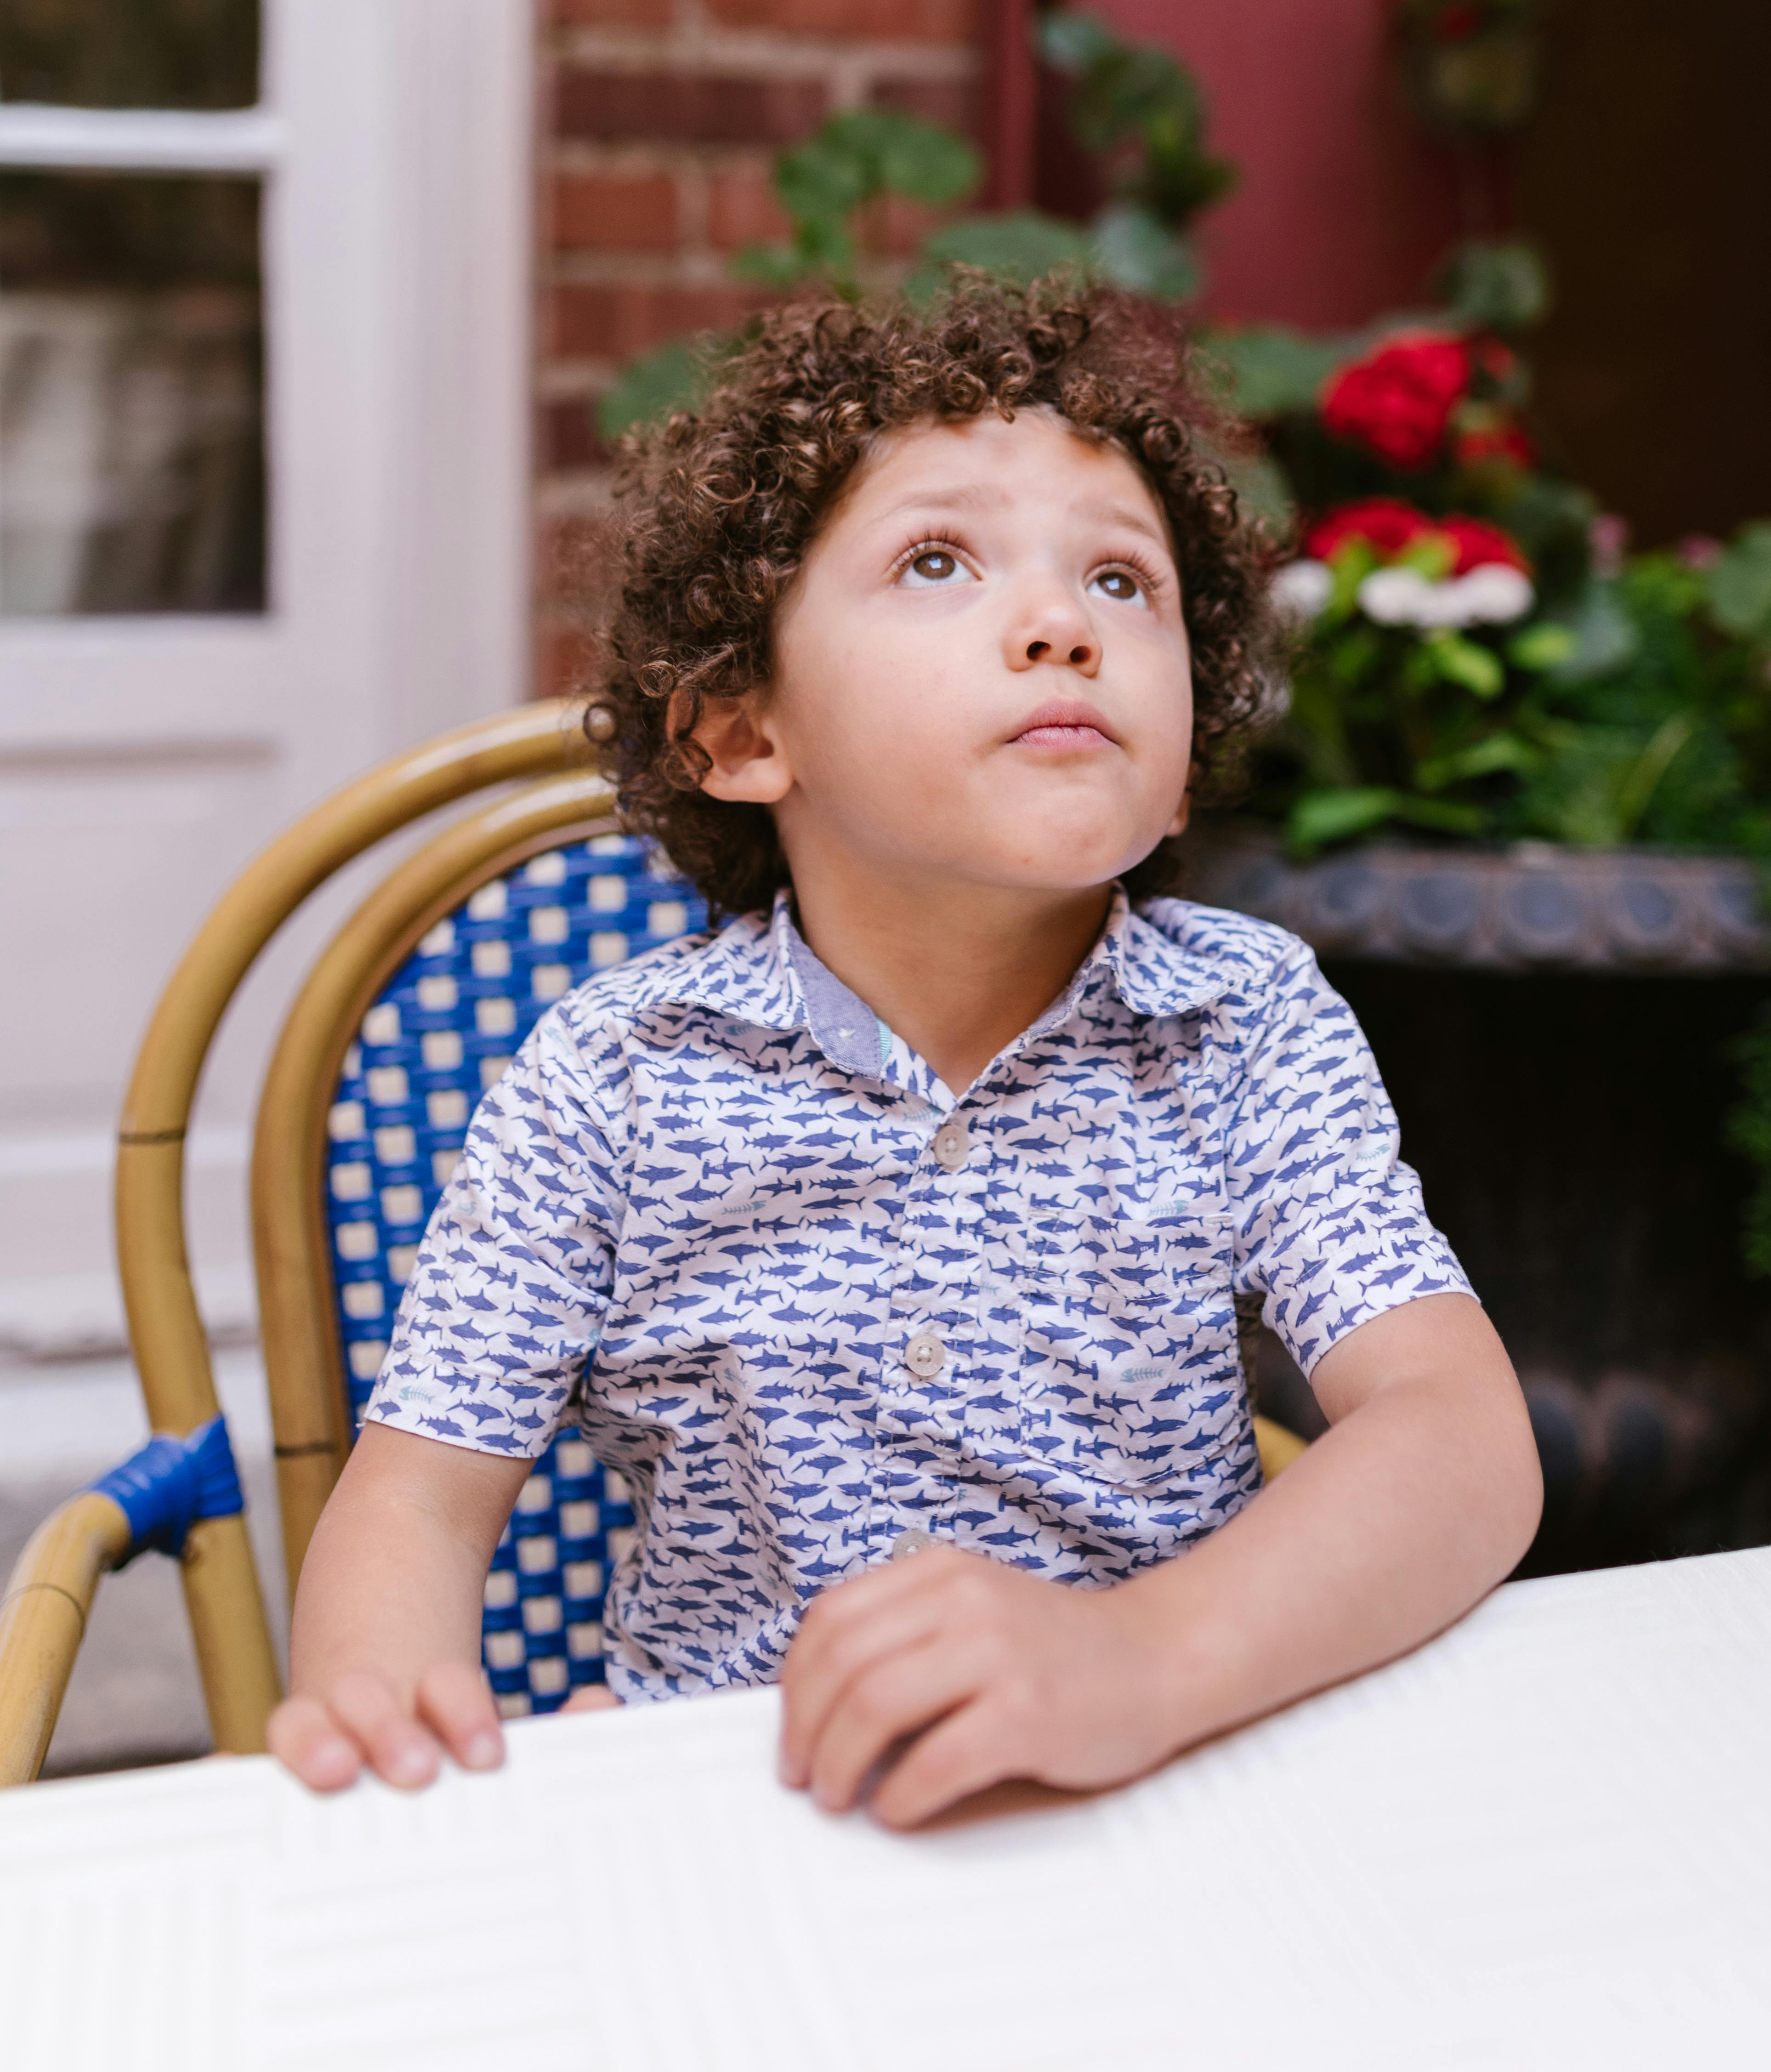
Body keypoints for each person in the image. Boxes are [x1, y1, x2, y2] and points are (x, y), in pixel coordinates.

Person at [270, 278, 1542, 1825]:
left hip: (1164, 1787)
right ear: (743, 732)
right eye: (936, 559)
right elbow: (417, 1494)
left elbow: (1455, 1434)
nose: (1064, 624)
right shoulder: (613, 1079)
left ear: (1179, 768)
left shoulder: (1241, 1023)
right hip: (742, 1814)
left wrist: (1141, 1659)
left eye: (1121, 580)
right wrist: (401, 1751)